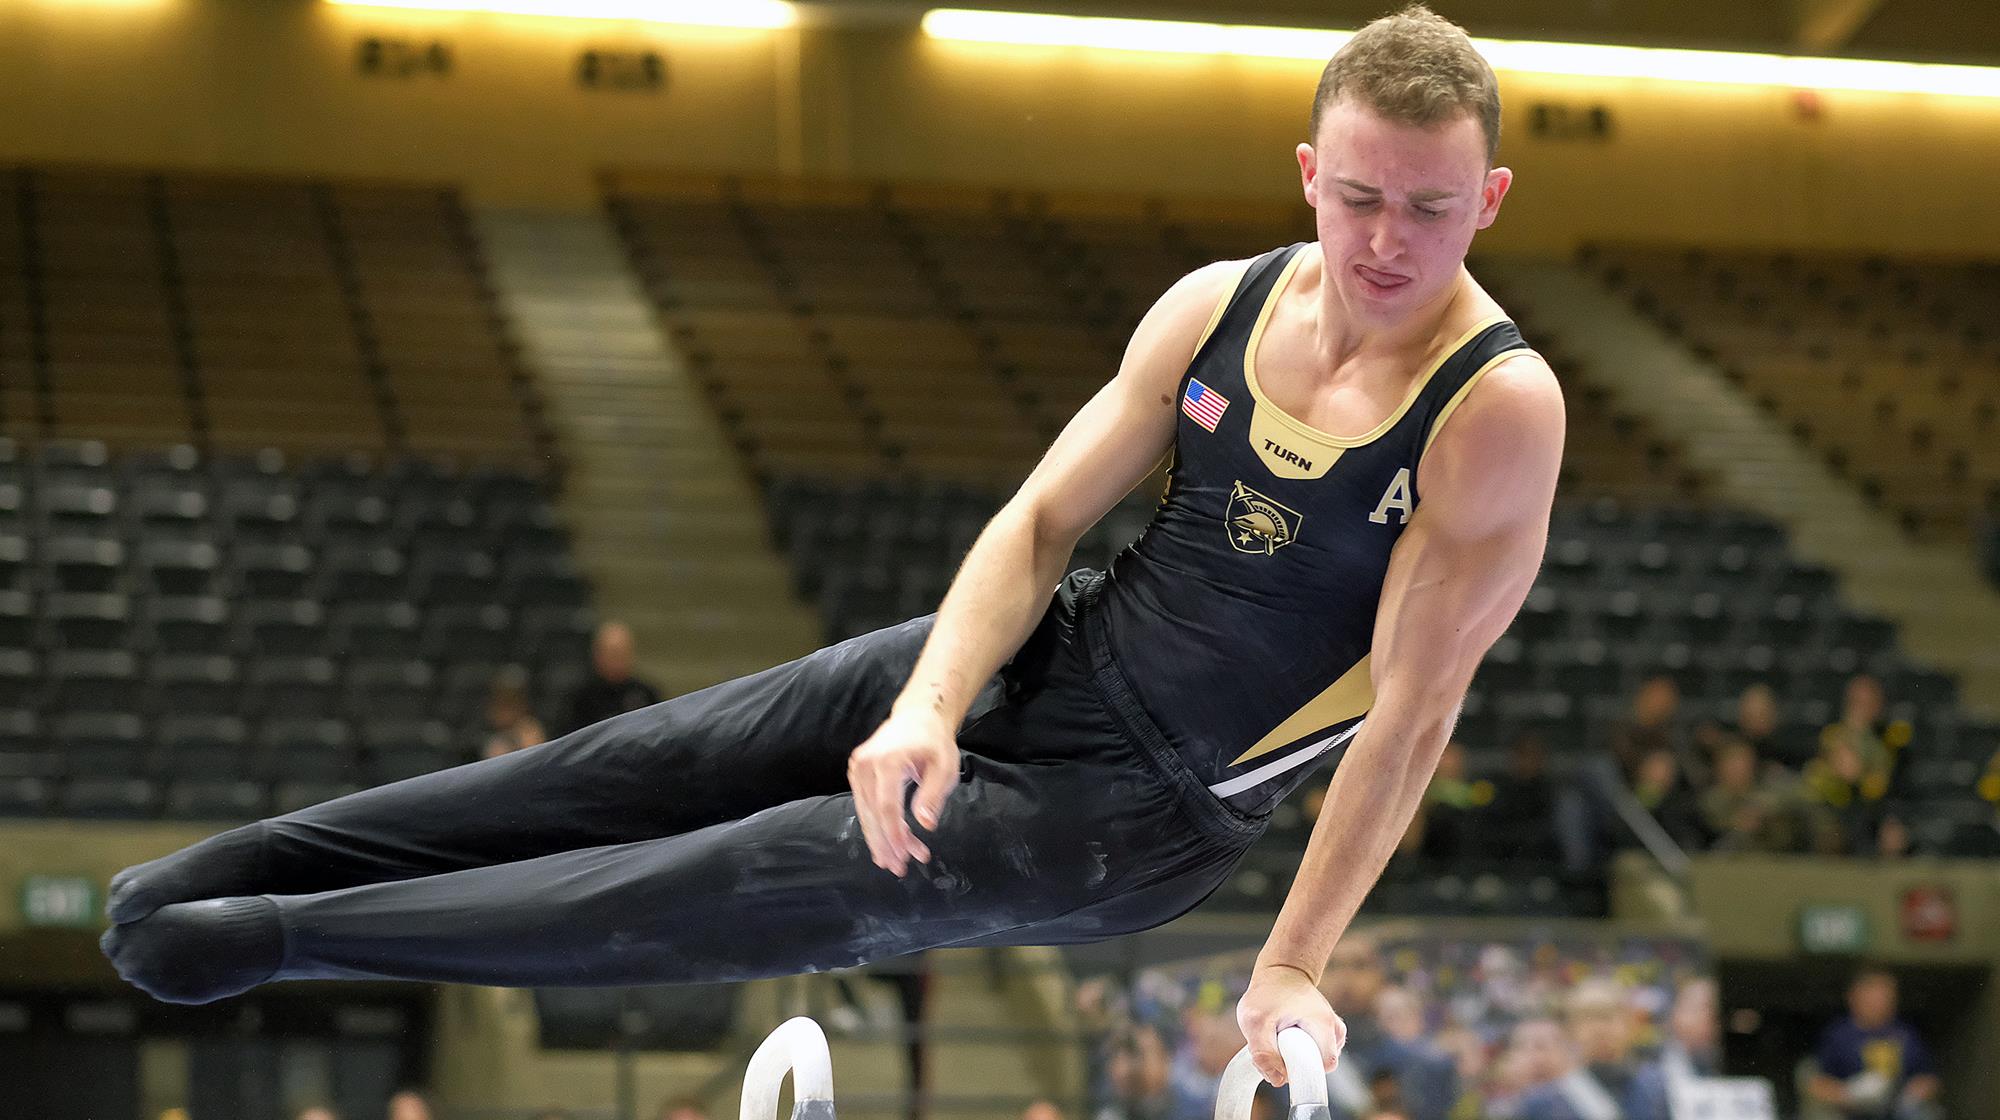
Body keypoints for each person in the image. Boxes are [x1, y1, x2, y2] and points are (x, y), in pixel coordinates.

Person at [97, 7, 1562, 1093]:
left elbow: (1414, 712)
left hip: (1141, 813)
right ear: (1309, 170)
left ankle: (279, 934)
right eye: (1358, 197)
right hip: (1051, 663)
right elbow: (1042, 523)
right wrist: (926, 703)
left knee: (714, 884)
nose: (1385, 242)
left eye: (1430, 211)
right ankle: (239, 864)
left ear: (1486, 201)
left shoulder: (1493, 411)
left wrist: (1292, 964)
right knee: (634, 769)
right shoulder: (1217, 307)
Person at [1808, 969, 1941, 1120]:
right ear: (1855, 997)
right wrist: (1850, 1095)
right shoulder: (1838, 1036)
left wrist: (1911, 1096)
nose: (1881, 1003)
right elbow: (1817, 1084)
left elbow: (1929, 1078)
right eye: (1873, 996)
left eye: (1886, 996)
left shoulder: (1907, 1034)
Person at [562, 621, 663, 735]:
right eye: (613, 653)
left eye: (622, 652)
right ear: (597, 655)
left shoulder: (647, 694)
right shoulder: (579, 698)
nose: (618, 659)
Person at [481, 666, 548, 759]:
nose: (500, 712)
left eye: (508, 705)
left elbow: (534, 761)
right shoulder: (494, 738)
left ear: (522, 705)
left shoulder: (529, 729)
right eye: (499, 704)